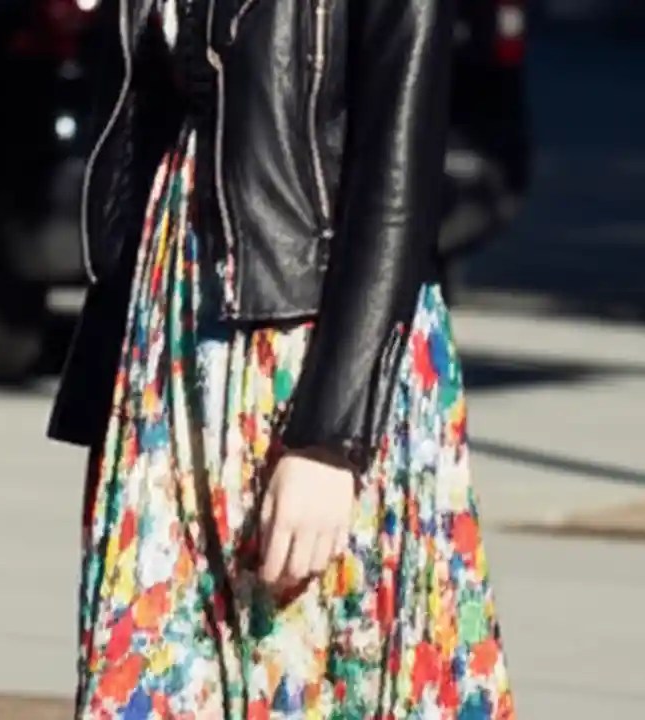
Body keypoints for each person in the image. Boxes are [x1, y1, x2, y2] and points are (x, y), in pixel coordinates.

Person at [47, 0, 514, 716]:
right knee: (144, 678)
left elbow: (397, 187)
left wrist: (330, 441)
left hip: (318, 353)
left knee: (308, 679)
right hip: (173, 332)